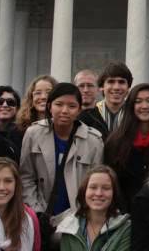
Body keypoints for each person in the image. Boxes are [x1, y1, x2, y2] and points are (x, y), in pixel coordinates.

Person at [22, 83, 105, 226]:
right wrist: (36, 211)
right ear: (49, 106)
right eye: (59, 104)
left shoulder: (93, 140)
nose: (65, 110)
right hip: (41, 215)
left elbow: (97, 183)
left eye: (72, 106)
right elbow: (25, 176)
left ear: (79, 109)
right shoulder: (33, 133)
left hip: (77, 217)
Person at [103, 83, 149, 210]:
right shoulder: (116, 142)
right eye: (138, 101)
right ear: (131, 106)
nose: (144, 106)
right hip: (124, 213)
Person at [55, 165, 131, 251]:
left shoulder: (125, 229)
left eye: (106, 188)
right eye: (93, 187)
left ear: (114, 194)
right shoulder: (69, 228)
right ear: (84, 191)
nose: (98, 193)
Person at [81, 62, 132, 137]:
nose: (116, 87)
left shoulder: (135, 116)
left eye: (121, 82)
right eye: (111, 82)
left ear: (128, 88)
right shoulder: (86, 117)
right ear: (102, 87)